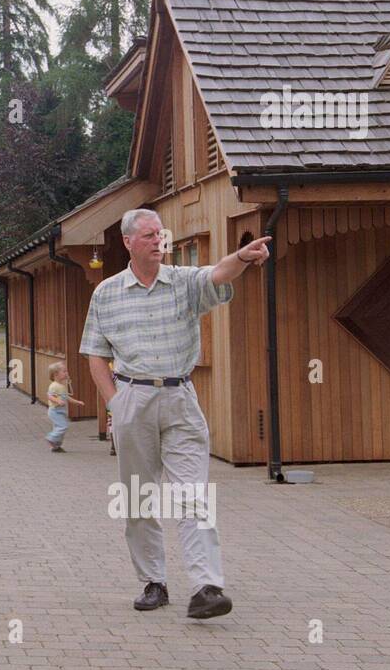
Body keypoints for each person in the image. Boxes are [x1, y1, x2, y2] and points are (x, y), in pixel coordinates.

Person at [81, 208, 269, 619]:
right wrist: (116, 402)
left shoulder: (183, 282)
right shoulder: (107, 293)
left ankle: (206, 586)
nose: (158, 242)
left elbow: (217, 275)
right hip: (134, 399)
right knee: (139, 496)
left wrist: (242, 257)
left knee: (192, 495)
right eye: (148, 236)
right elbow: (96, 354)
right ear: (128, 242)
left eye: (160, 235)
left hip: (181, 397)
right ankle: (154, 581)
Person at [44, 362, 85, 451]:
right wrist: (57, 400)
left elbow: (66, 397)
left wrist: (76, 402)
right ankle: (51, 438)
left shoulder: (62, 386)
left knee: (59, 428)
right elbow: (49, 396)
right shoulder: (54, 386)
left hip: (61, 411)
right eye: (64, 371)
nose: (67, 373)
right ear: (56, 374)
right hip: (55, 411)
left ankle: (56, 446)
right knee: (63, 426)